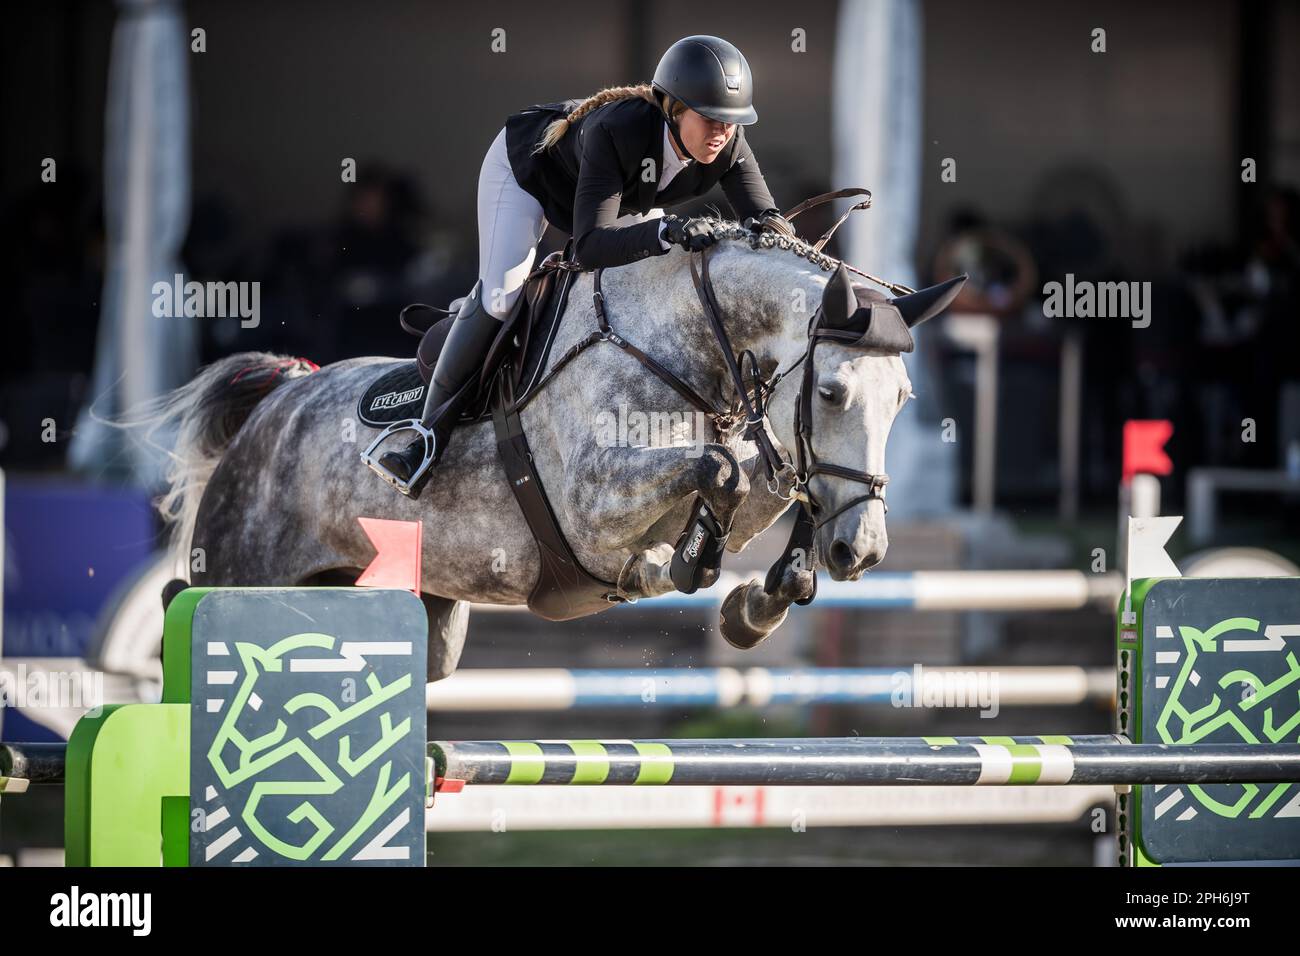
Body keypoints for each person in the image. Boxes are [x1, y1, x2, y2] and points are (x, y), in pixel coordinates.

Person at [373, 34, 795, 496]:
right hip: (527, 177)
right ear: (673, 108)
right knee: (502, 294)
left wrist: (789, 248)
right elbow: (589, 247)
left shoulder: (729, 146)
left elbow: (767, 224)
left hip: (623, 197)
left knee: (656, 282)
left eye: (731, 123)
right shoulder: (618, 131)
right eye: (711, 119)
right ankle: (425, 436)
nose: (722, 133)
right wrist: (665, 232)